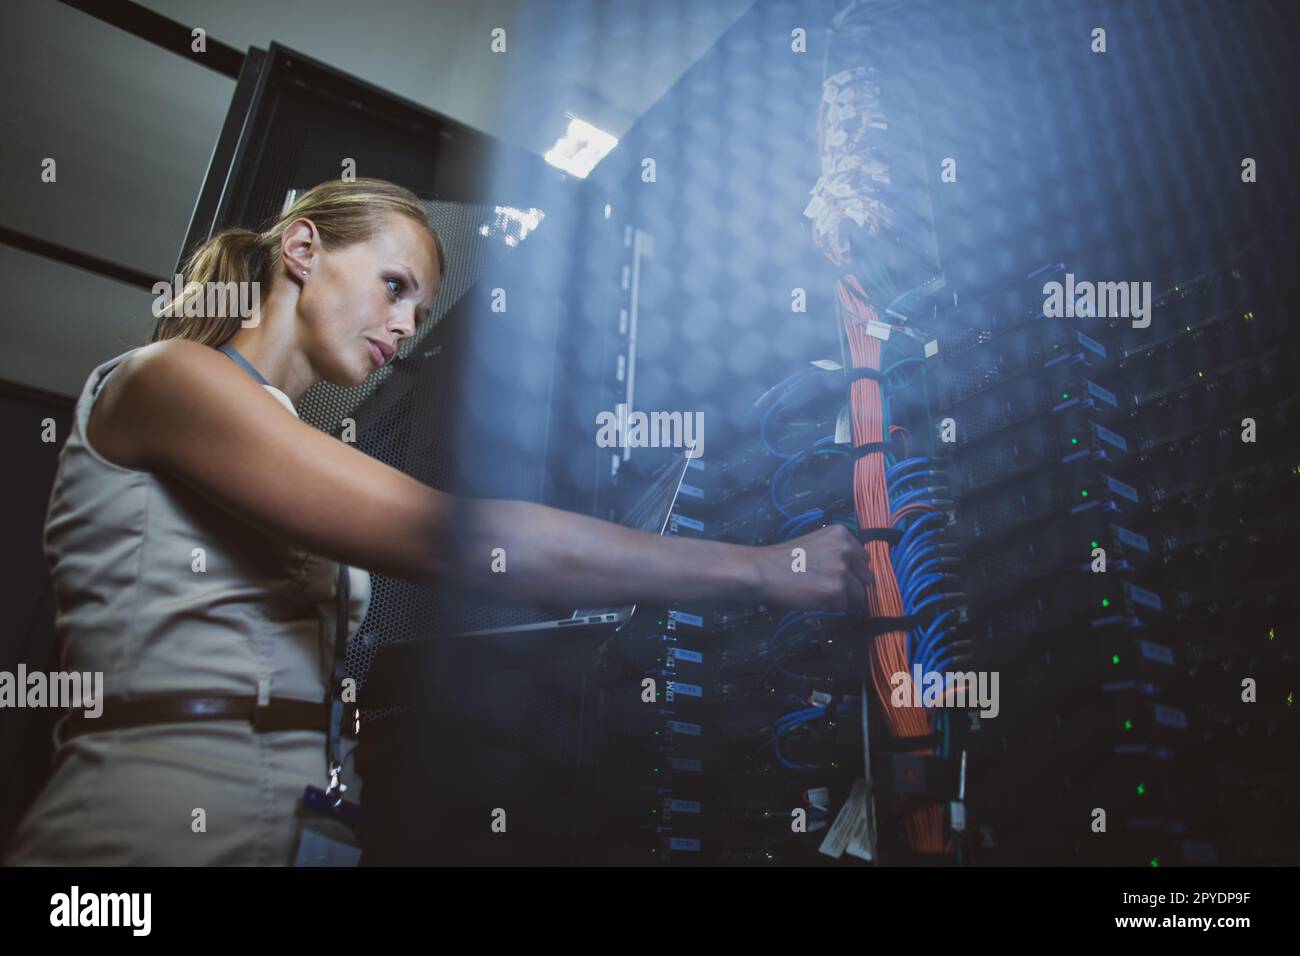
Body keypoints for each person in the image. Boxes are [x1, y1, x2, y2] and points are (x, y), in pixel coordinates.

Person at [3, 178, 872, 866]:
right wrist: (763, 571)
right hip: (145, 819)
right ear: (302, 249)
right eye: (393, 287)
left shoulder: (270, 438)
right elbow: (446, 539)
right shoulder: (169, 378)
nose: (406, 326)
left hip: (295, 821)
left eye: (417, 309)